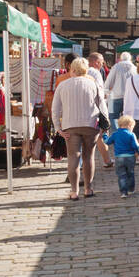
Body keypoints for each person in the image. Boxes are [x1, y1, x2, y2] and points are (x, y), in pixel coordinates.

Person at [52, 57, 107, 200]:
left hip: (70, 125)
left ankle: (74, 191)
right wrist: (105, 125)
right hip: (90, 124)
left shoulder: (62, 85)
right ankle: (88, 189)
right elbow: (102, 105)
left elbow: (55, 109)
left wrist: (58, 128)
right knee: (88, 157)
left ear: (73, 69)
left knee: (73, 158)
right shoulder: (93, 84)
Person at [103, 114, 139, 197]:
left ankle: (123, 192)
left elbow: (107, 142)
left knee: (121, 175)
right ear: (129, 125)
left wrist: (104, 135)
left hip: (119, 157)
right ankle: (131, 189)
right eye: (132, 127)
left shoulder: (115, 134)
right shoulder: (131, 135)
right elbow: (136, 145)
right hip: (130, 157)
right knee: (130, 173)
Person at [88, 53, 114, 168]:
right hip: (96, 109)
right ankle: (106, 160)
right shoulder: (95, 73)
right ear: (97, 62)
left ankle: (105, 160)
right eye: (102, 61)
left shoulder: (82, 71)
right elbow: (99, 93)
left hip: (84, 110)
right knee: (100, 135)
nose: (103, 64)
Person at [104, 51, 136, 129]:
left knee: (112, 116)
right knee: (128, 118)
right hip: (130, 97)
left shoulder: (116, 66)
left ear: (121, 58)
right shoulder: (134, 68)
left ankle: (117, 132)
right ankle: (126, 133)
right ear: (130, 58)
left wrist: (106, 92)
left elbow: (109, 81)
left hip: (115, 96)